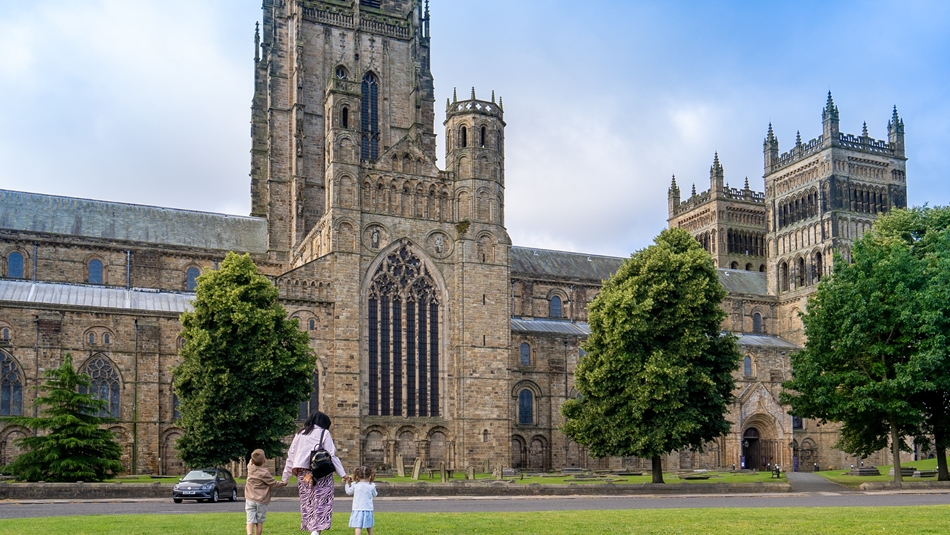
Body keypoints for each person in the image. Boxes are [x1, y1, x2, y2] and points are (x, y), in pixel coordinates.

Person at [282, 411, 347, 535]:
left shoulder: (300, 433)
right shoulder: (324, 433)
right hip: (321, 473)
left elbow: (291, 456)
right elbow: (331, 455)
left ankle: (313, 530)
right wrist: (342, 474)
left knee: (308, 503)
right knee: (323, 502)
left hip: (302, 473)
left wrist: (285, 477)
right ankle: (316, 532)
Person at [245, 449, 286, 535]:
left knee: (250, 520)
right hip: (261, 500)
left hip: (250, 499)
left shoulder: (250, 467)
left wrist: (253, 459)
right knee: (259, 522)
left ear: (251, 460)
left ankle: (249, 534)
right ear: (264, 461)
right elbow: (274, 483)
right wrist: (283, 483)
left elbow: (251, 460)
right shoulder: (264, 473)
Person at [345, 466, 378, 535]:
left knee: (358, 526)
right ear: (369, 476)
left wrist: (347, 483)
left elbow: (348, 492)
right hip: (368, 509)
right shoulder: (371, 486)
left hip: (357, 509)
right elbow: (375, 494)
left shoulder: (355, 486)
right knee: (369, 526)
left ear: (357, 476)